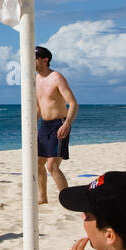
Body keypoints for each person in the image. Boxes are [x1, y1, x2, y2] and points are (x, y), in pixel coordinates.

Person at [35, 46, 78, 204]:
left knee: (52, 166)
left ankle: (68, 200)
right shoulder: (36, 80)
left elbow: (73, 103)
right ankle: (42, 197)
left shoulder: (57, 77)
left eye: (35, 58)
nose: (31, 62)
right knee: (38, 163)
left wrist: (67, 124)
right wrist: (32, 126)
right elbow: (39, 107)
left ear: (44, 60)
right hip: (44, 126)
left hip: (58, 124)